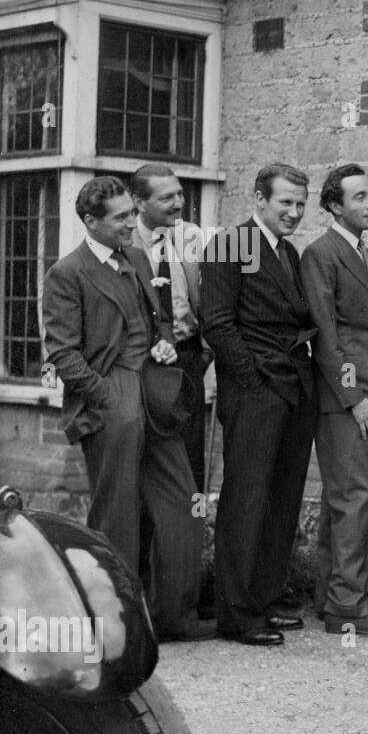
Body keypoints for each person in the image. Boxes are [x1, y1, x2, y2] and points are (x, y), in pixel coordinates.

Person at [43, 176, 211, 642]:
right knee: (116, 517)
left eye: (131, 214)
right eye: (120, 217)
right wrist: (106, 396)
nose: (130, 223)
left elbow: (158, 320)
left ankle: (174, 617)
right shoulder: (67, 273)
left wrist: (162, 343)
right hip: (112, 405)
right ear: (90, 221)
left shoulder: (135, 257)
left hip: (154, 397)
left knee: (183, 503)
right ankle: (115, 626)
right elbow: (62, 353)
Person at [201, 163, 317, 647]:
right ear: (259, 199)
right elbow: (217, 323)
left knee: (282, 498)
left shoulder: (288, 252)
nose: (294, 212)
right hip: (256, 391)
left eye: (300, 204)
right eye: (285, 202)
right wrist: (251, 379)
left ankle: (266, 596)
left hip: (294, 388)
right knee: (246, 498)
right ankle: (236, 612)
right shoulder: (230, 245)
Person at [300, 164, 368, 636]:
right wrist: (354, 396)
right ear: (334, 206)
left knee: (347, 497)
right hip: (345, 400)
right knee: (359, 497)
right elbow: (325, 335)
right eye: (359, 197)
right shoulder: (322, 254)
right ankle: (348, 606)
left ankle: (332, 595)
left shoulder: (359, 251)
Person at [129, 164, 209, 490]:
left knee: (190, 459)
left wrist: (204, 355)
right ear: (139, 202)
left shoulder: (191, 236)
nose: (178, 203)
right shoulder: (122, 242)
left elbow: (209, 298)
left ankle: (191, 521)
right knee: (145, 462)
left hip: (187, 360)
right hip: (142, 366)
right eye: (167, 198)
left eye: (180, 194)